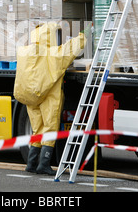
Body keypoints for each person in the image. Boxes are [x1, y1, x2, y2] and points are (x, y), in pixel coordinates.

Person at [14, 22, 86, 175]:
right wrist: (84, 34)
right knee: (50, 127)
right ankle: (44, 164)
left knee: (37, 128)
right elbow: (73, 47)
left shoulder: (24, 52)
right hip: (48, 96)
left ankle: (31, 163)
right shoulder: (54, 54)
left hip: (30, 95)